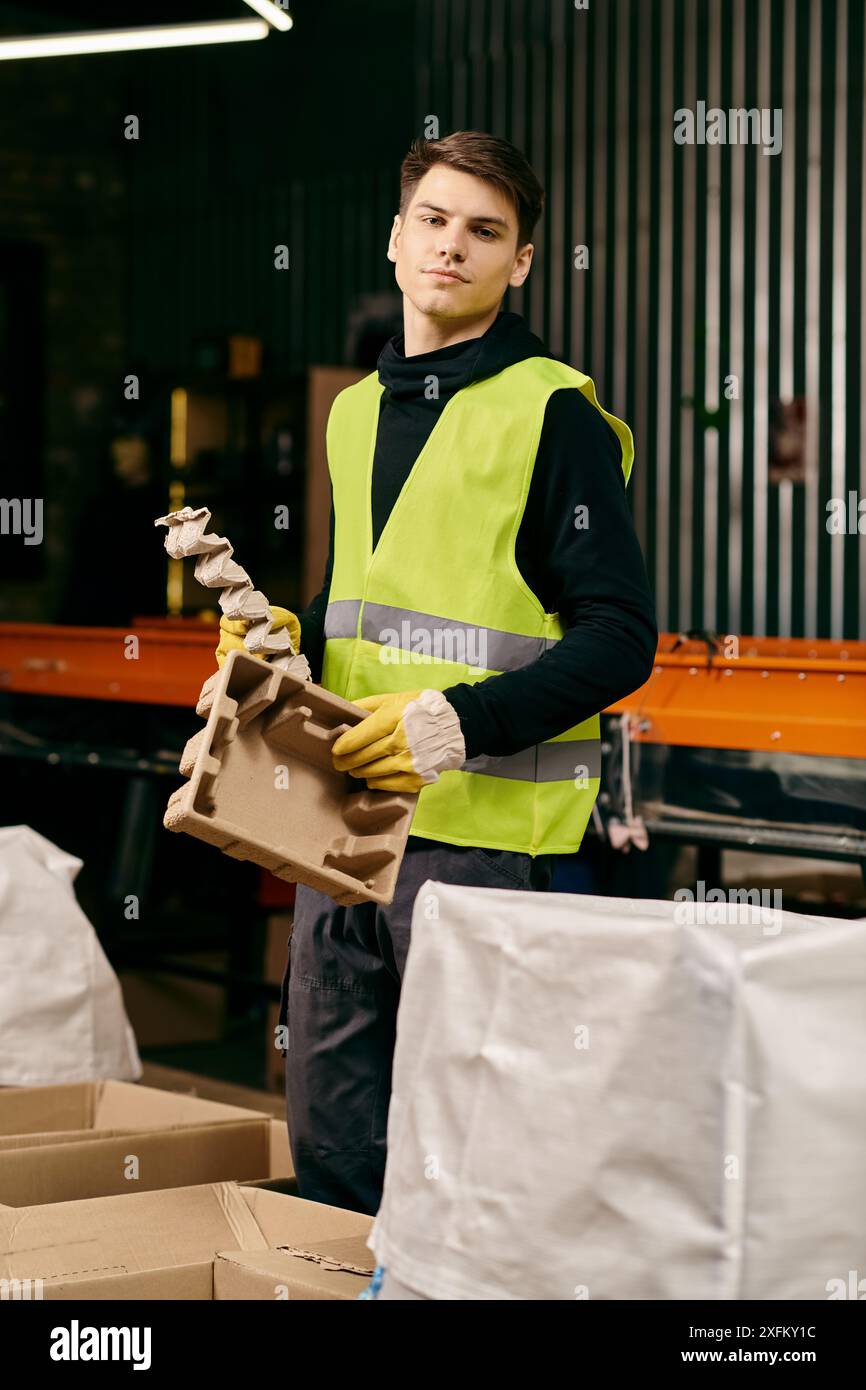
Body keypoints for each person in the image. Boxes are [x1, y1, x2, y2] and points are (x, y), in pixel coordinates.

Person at [218, 130, 658, 1215]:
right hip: (340, 826)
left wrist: (458, 722)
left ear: (521, 262)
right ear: (395, 237)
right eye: (433, 219)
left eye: (484, 231)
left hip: (481, 851)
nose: (451, 246)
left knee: (469, 1166)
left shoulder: (552, 413)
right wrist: (282, 645)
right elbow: (362, 600)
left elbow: (619, 636)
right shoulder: (354, 410)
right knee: (331, 1144)